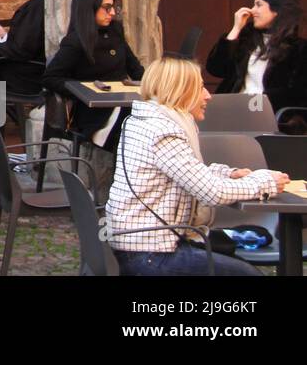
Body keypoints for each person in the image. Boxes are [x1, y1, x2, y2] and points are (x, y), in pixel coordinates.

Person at [106, 56, 288, 276]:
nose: (208, 95)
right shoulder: (163, 132)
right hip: (150, 255)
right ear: (180, 90)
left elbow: (180, 172)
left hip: (140, 248)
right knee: (248, 274)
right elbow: (211, 192)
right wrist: (265, 182)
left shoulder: (144, 121)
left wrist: (229, 174)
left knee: (234, 261)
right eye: (200, 87)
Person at [44, 0, 145, 150]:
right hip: (92, 111)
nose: (112, 13)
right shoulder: (76, 42)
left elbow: (135, 69)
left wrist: (156, 85)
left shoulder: (115, 32)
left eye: (113, 7)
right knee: (131, 123)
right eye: (106, 8)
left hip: (122, 103)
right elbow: (50, 77)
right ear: (89, 8)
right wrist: (85, 90)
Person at [207, 0, 307, 131]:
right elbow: (216, 69)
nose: (252, 11)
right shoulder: (246, 40)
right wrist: (235, 29)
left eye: (258, 5)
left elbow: (298, 94)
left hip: (270, 117)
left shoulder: (298, 49)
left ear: (277, 10)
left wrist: (261, 105)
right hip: (233, 110)